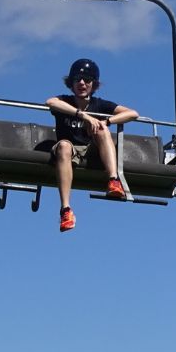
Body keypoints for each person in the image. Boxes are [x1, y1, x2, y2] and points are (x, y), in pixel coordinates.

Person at [45, 58, 139, 232]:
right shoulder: (65, 101)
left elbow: (133, 113)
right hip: (69, 150)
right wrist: (84, 116)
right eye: (77, 79)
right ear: (71, 83)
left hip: (91, 149)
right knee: (64, 146)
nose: (82, 83)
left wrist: (107, 121)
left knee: (102, 129)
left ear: (93, 84)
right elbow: (51, 102)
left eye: (87, 80)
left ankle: (113, 180)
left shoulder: (99, 104)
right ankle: (65, 209)